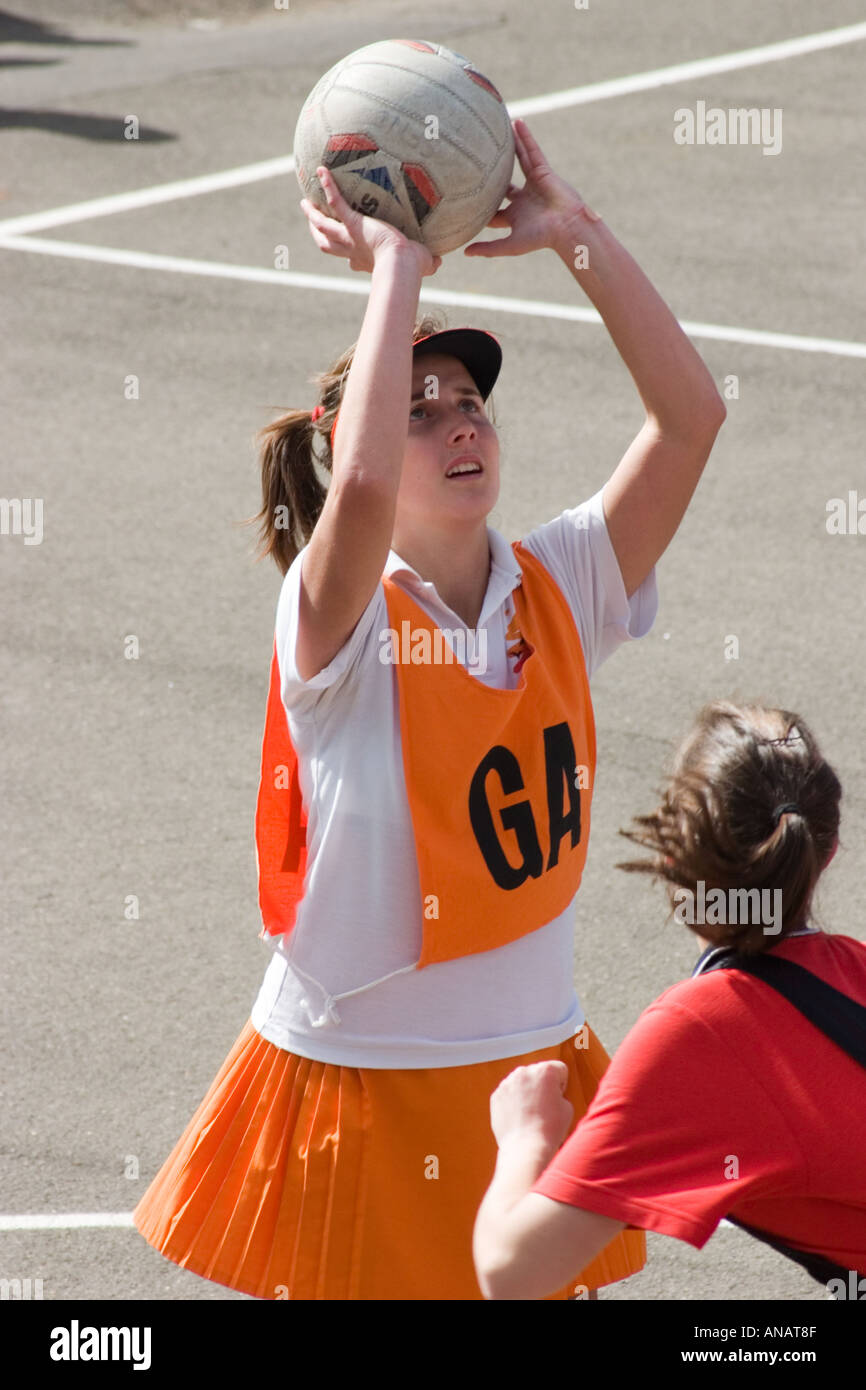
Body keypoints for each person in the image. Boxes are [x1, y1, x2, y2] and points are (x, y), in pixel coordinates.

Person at [133, 118, 725, 1300]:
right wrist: (396, 255)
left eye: (471, 400)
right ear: (351, 441)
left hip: (521, 1064)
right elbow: (351, 488)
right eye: (420, 404)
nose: (461, 418)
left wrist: (577, 237)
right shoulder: (334, 619)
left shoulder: (562, 582)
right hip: (356, 1072)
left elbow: (690, 417)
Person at [474, 701, 866, 1300]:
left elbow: (510, 1271)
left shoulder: (701, 1032)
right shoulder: (855, 970)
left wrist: (525, 1135)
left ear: (671, 861)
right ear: (829, 850)